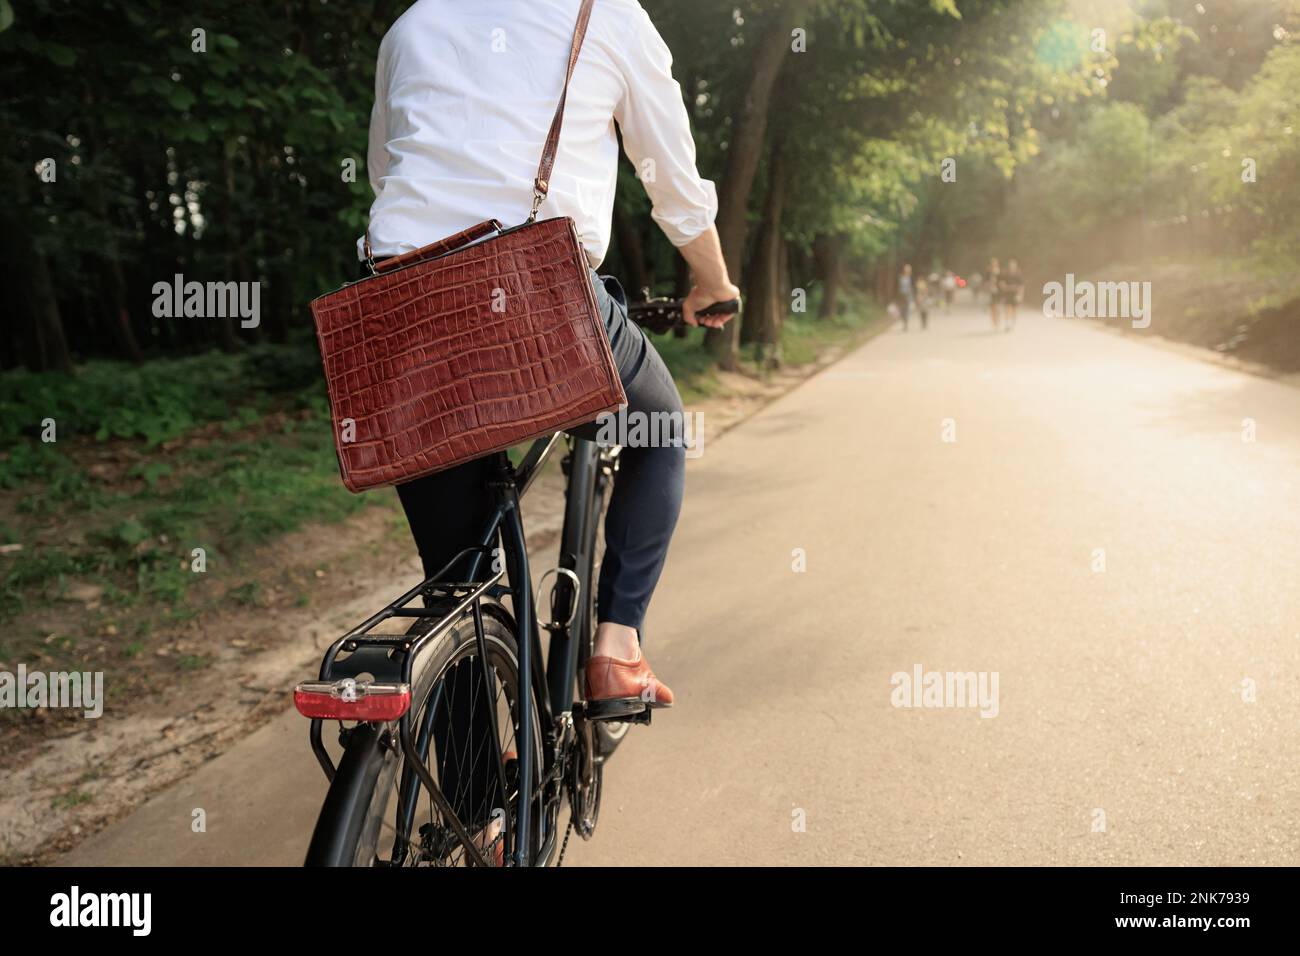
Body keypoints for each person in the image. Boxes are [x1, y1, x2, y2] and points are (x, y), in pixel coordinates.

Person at [361, 0, 740, 709]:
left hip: (400, 312)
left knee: (455, 584)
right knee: (658, 431)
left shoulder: (412, 24)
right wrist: (713, 284)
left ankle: (474, 821)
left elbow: (389, 173)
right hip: (536, 294)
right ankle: (617, 652)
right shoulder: (607, 16)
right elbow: (674, 184)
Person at [999, 258, 1025, 331]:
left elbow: (1021, 286)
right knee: (1007, 309)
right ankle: (1007, 324)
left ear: (1016, 266)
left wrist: (1020, 295)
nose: (1012, 266)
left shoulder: (1018, 275)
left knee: (1014, 310)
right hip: (1007, 295)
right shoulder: (1005, 274)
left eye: (1013, 265)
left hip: (1015, 295)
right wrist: (1013, 287)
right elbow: (1002, 286)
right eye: (1010, 265)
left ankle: (1013, 324)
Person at [897, 263, 915, 331]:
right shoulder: (900, 277)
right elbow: (898, 287)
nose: (907, 270)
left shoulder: (911, 278)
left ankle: (905, 324)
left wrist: (913, 298)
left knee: (907, 310)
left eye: (908, 269)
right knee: (902, 310)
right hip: (901, 296)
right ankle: (904, 321)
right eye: (906, 269)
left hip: (908, 296)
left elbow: (913, 288)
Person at [986, 257, 1002, 330]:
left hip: (998, 292)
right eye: (992, 263)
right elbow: (985, 281)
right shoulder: (988, 272)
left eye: (995, 263)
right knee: (992, 307)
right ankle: (994, 322)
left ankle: (998, 321)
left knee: (997, 307)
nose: (994, 264)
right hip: (991, 291)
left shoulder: (1000, 272)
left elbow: (1002, 281)